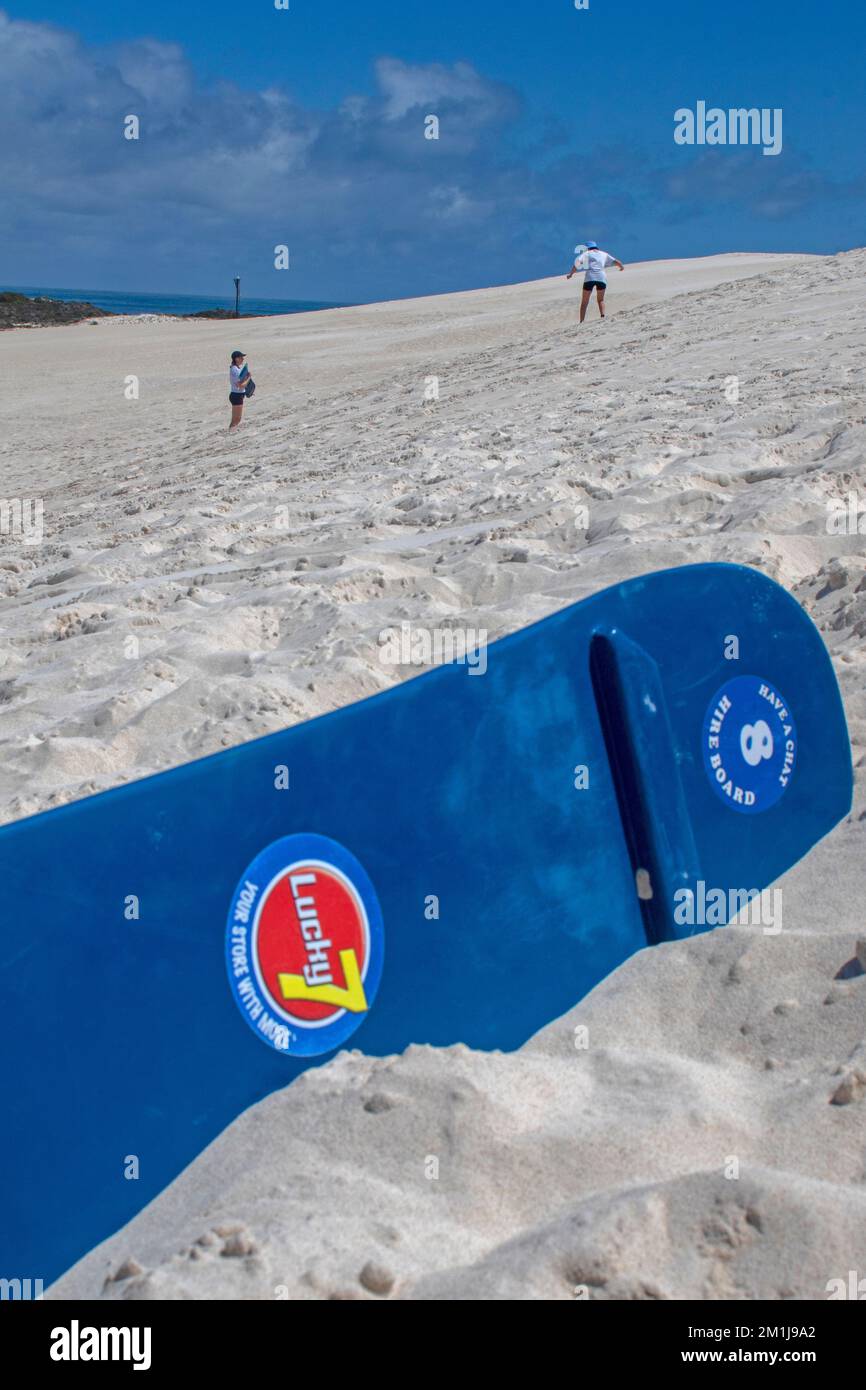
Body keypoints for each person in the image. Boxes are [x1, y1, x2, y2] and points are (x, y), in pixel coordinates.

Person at [566, 241, 624, 322]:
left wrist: (571, 274)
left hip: (590, 278)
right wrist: (621, 267)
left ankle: (582, 321)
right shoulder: (603, 253)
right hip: (601, 278)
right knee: (600, 299)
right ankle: (603, 316)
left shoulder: (586, 254)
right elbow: (616, 261)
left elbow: (577, 264)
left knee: (585, 301)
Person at [228, 350, 249, 429]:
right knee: (237, 419)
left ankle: (231, 432)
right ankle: (231, 432)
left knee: (236, 419)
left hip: (237, 394)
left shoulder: (236, 368)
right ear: (236, 359)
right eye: (241, 358)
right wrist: (248, 378)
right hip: (237, 395)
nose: (243, 359)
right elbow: (241, 385)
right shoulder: (235, 370)